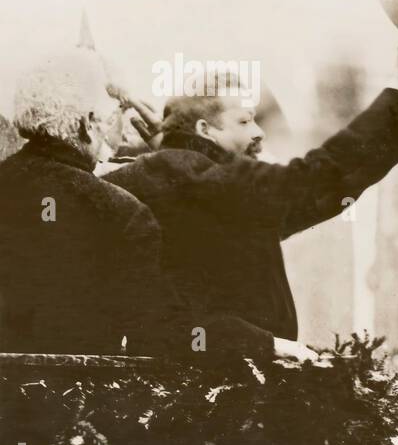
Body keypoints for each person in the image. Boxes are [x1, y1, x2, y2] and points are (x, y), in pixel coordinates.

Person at [105, 27, 398, 347]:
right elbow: (314, 179)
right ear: (206, 129)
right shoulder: (193, 174)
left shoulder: (185, 177)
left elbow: (323, 189)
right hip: (227, 384)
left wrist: (169, 145)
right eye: (245, 120)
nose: (259, 133)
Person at [0, 49, 269, 359]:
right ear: (89, 124)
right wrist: (266, 343)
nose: (124, 128)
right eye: (116, 114)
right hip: (70, 401)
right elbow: (164, 335)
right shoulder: (118, 212)